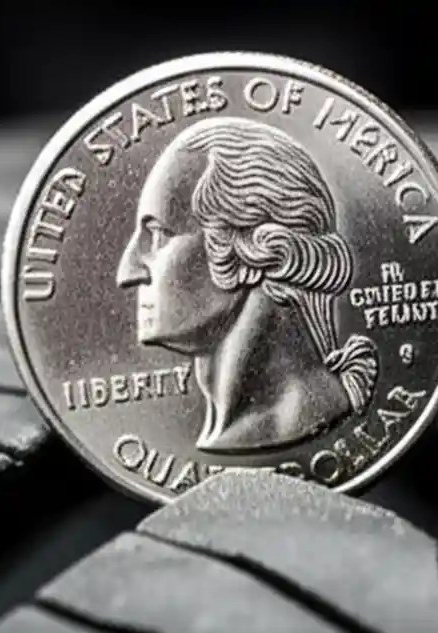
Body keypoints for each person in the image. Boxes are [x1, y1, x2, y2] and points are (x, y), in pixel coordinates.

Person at [116, 117, 377, 452]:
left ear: (256, 249)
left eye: (159, 235)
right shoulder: (234, 427)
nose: (128, 272)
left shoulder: (302, 416)